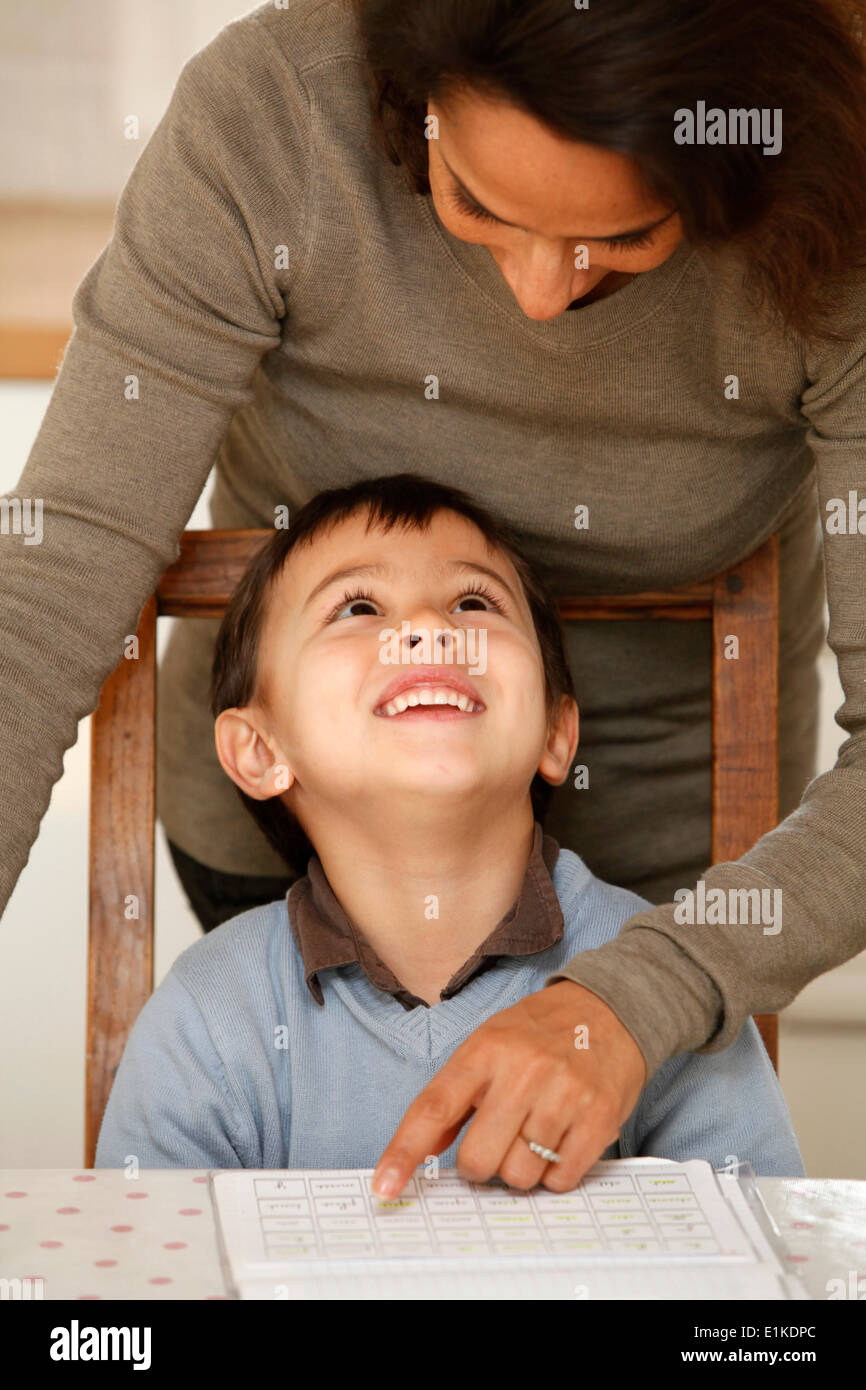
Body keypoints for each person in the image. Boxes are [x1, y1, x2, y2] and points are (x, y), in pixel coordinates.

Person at [1, 0, 863, 1192]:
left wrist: (650, 989)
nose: (537, 296)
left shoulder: (835, 196)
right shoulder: (271, 118)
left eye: (622, 237)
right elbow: (46, 595)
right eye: (478, 208)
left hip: (675, 879)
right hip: (277, 860)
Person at [94, 475, 804, 1178]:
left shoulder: (661, 993)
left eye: (473, 602)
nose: (431, 630)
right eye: (358, 606)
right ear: (261, 751)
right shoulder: (208, 1020)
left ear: (556, 733)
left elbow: (763, 1257)